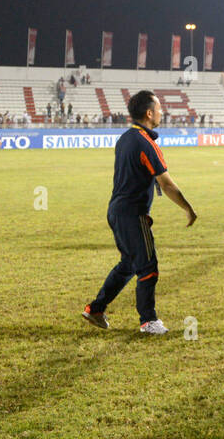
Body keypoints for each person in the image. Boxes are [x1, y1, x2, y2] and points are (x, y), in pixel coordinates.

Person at [82, 91, 196, 334]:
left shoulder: (125, 138)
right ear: (148, 113)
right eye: (159, 108)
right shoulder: (146, 142)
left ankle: (96, 309)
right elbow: (166, 183)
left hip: (116, 210)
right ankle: (148, 320)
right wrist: (188, 208)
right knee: (148, 267)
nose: (162, 112)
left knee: (129, 264)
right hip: (133, 214)